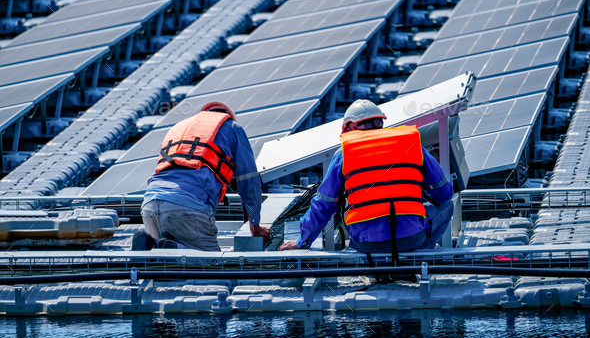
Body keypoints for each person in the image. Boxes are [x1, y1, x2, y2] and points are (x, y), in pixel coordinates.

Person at [280, 99, 454, 263]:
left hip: (363, 242)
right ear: (380, 123)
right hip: (411, 239)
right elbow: (445, 193)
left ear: (348, 128)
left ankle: (379, 264)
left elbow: (323, 204)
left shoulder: (343, 154)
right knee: (448, 206)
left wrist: (303, 241)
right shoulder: (412, 145)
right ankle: (413, 259)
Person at [133, 101, 270, 251]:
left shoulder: (179, 128)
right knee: (211, 264)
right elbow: (248, 180)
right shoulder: (232, 128)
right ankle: (176, 249)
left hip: (150, 204)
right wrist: (255, 226)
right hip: (188, 207)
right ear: (227, 117)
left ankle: (153, 247)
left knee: (162, 268)